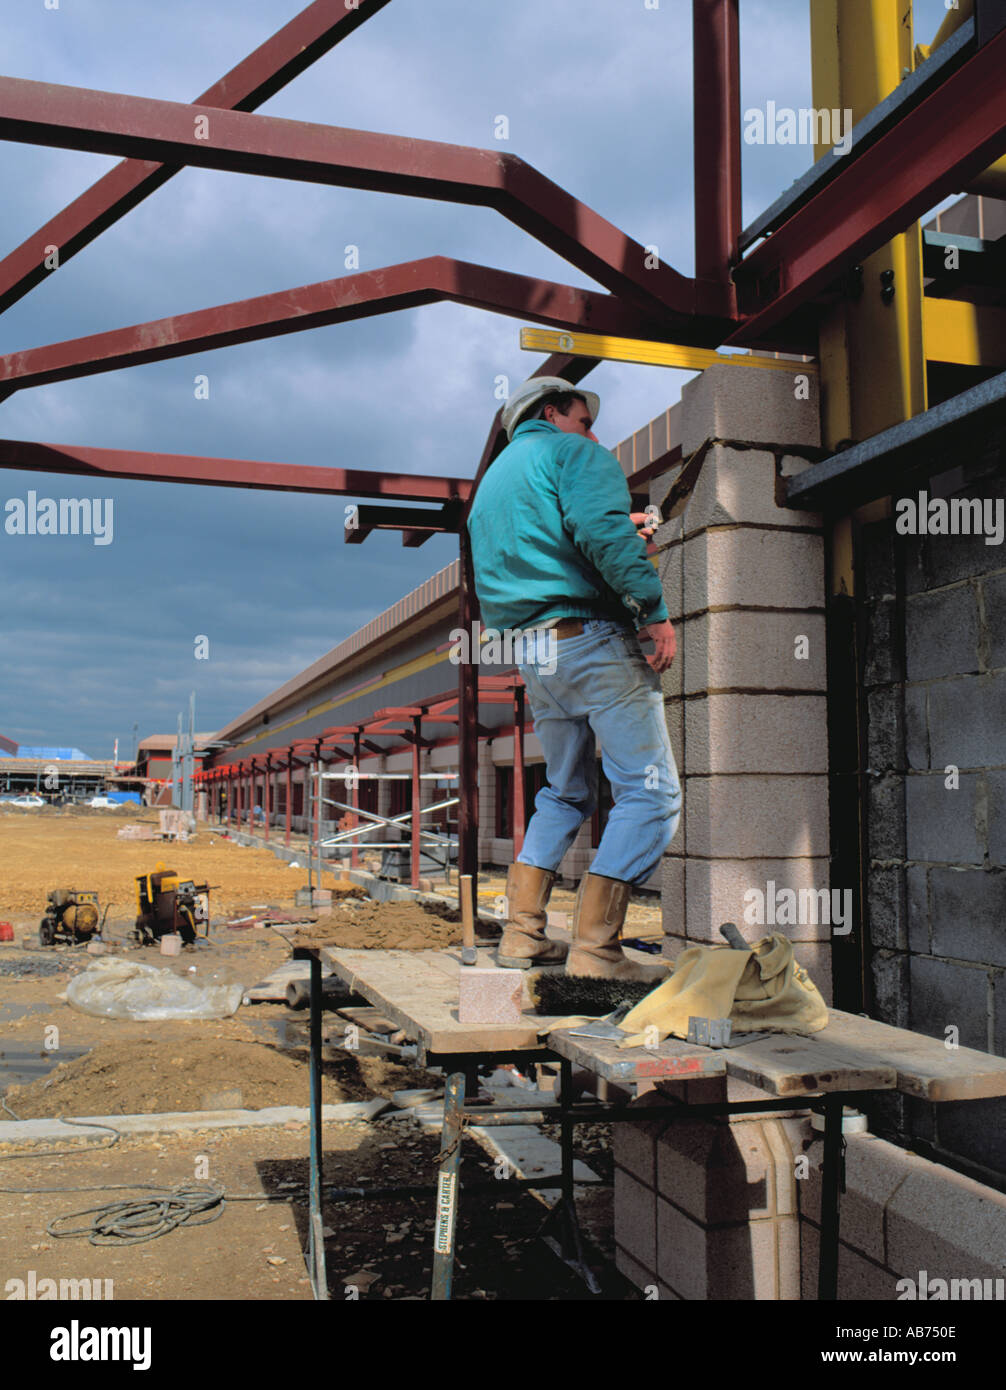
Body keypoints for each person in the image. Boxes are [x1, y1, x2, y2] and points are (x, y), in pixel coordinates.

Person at [467, 376, 681, 983]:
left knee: (564, 792)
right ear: (554, 411)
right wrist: (653, 610)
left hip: (534, 652)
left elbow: (554, 546)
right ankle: (596, 951)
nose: (594, 433)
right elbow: (600, 533)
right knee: (650, 793)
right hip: (588, 640)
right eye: (585, 420)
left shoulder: (495, 484)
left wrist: (617, 534)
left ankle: (522, 935)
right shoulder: (573, 453)